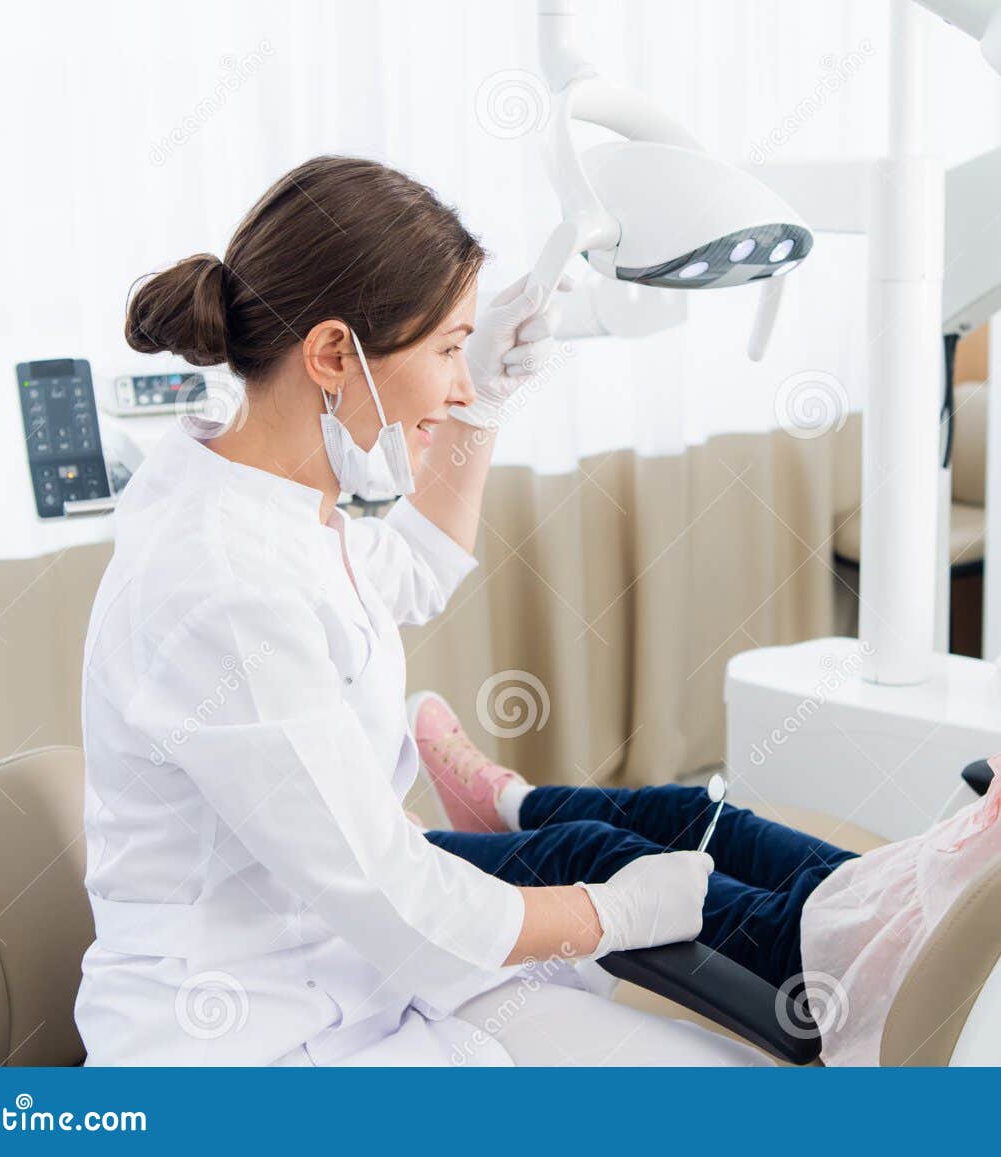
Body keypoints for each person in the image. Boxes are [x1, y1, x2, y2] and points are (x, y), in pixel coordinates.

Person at [74, 156, 746, 1066]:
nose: (460, 382)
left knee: (723, 1071)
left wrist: (486, 406)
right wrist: (610, 911)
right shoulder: (222, 579)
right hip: (249, 1036)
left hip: (360, 971)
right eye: (446, 350)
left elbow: (416, 569)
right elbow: (399, 902)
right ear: (331, 355)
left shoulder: (276, 497)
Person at [411, 573, 1001, 1065]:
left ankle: (402, 858)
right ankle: (505, 802)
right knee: (693, 808)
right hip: (854, 896)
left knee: (597, 853)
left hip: (817, 961)